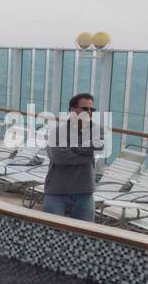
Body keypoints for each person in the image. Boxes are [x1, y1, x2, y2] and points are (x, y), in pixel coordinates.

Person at [42, 93, 103, 222]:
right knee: (50, 232)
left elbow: (100, 148)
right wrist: (87, 155)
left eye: (92, 109)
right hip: (56, 191)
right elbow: (58, 157)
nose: (89, 112)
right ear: (72, 110)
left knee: (85, 235)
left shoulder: (98, 131)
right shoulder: (57, 132)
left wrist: (71, 148)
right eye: (85, 109)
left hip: (84, 192)